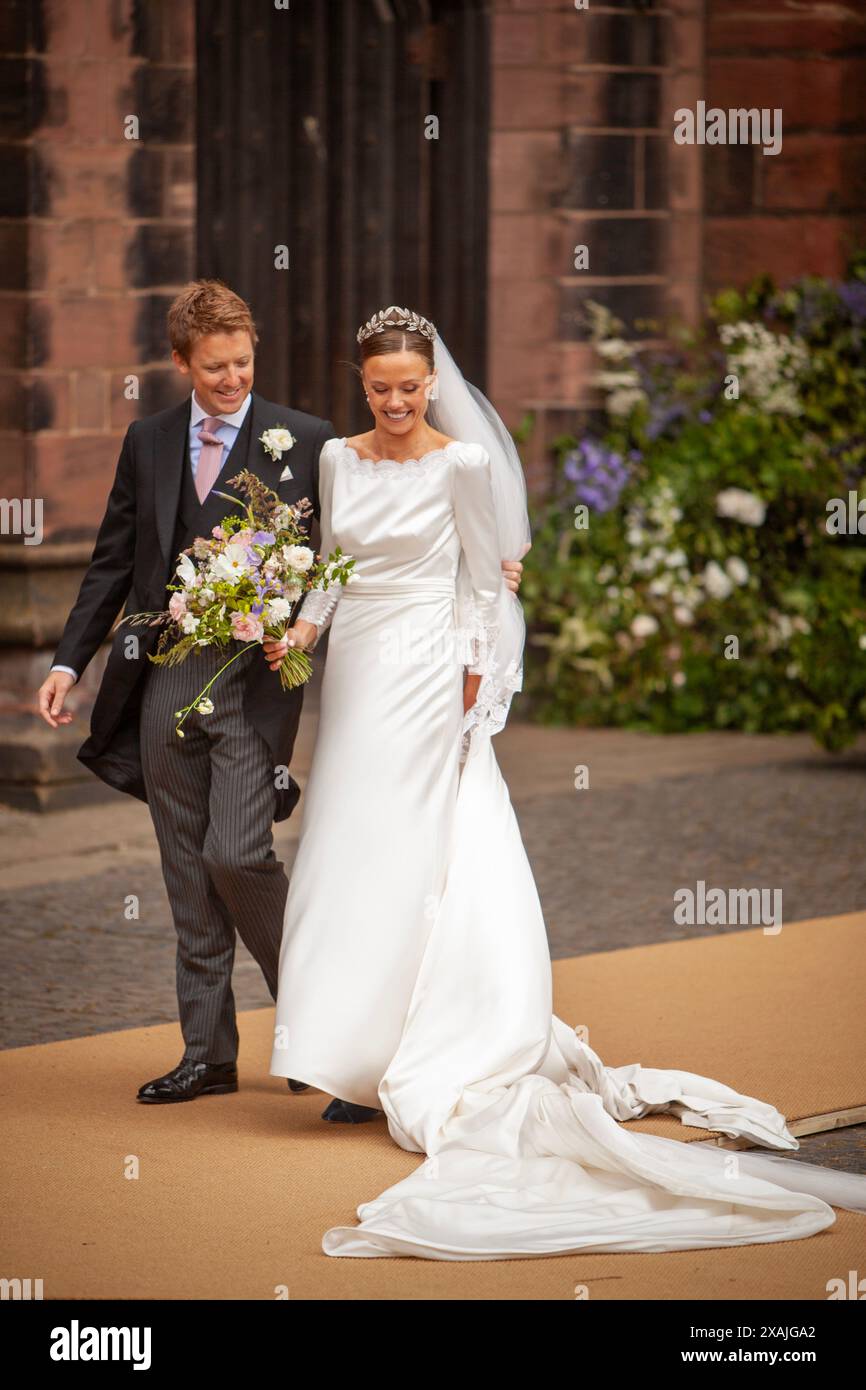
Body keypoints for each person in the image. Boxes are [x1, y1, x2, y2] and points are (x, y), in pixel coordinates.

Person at [266, 305, 866, 1260]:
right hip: (358, 669)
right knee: (346, 847)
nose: (392, 402)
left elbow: (483, 581)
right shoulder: (338, 460)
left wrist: (471, 684)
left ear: (431, 384)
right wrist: (298, 631)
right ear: (360, 383)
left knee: (423, 849)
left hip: (428, 673)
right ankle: (350, 1054)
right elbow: (333, 566)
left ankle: (416, 1051)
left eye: (408, 388)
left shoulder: (462, 465)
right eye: (377, 388)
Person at [36, 281, 523, 1107]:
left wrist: (486, 580)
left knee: (239, 854)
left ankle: (315, 1026)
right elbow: (112, 563)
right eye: (216, 367)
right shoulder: (147, 441)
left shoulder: (305, 440)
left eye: (244, 364)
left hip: (260, 682)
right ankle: (208, 1054)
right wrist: (66, 662)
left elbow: (341, 556)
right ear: (183, 362)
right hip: (166, 676)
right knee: (187, 873)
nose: (232, 379)